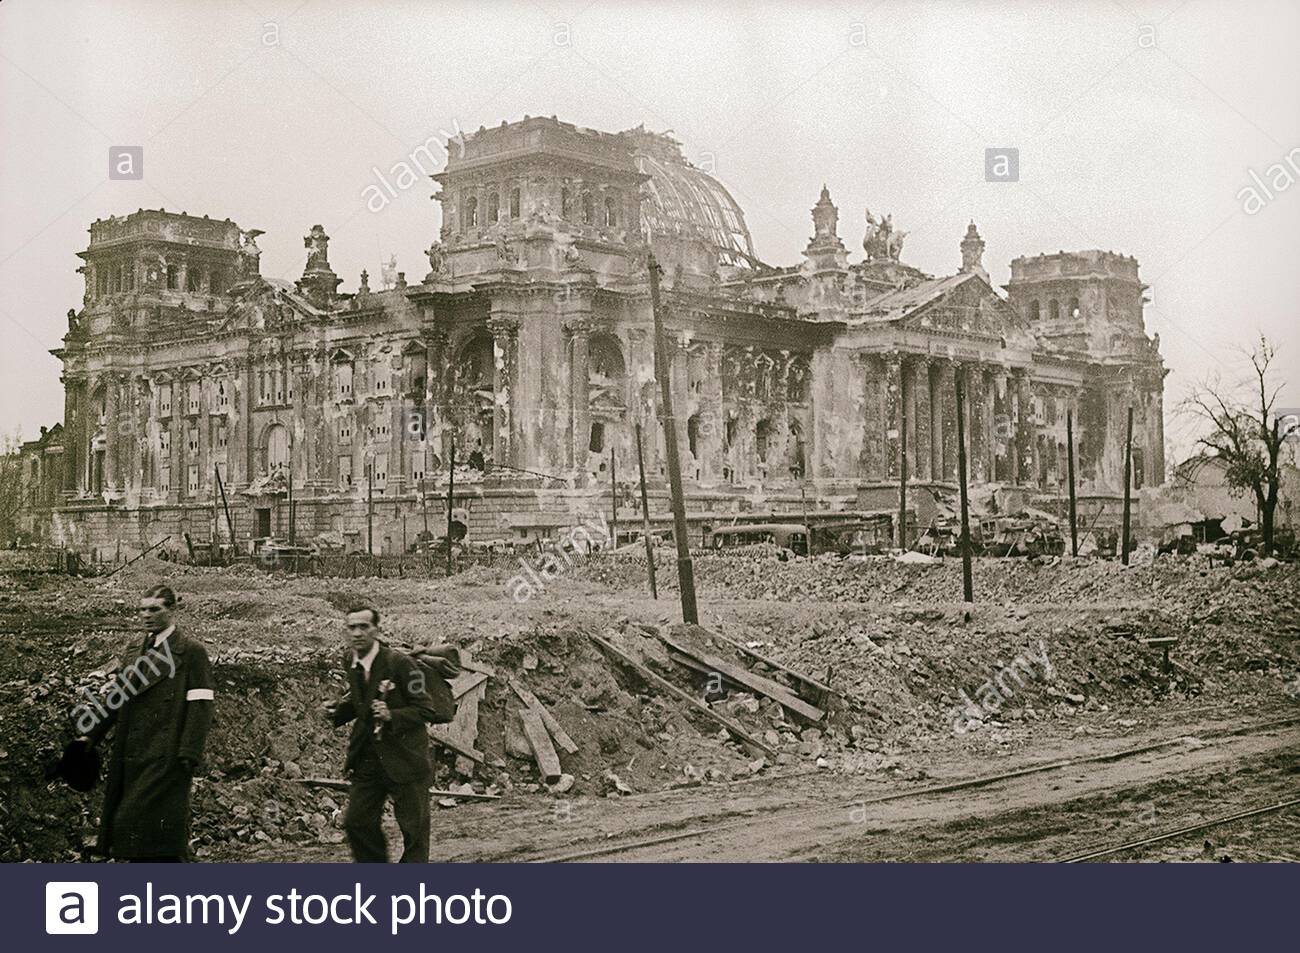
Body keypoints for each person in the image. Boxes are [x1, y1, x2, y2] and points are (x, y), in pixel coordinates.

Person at [83, 583, 215, 861]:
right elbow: (115, 699)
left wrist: (188, 753)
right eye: (142, 610)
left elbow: (201, 706)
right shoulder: (134, 651)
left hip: (167, 755)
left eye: (154, 609)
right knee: (143, 834)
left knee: (142, 825)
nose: (146, 615)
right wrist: (89, 735)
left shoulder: (190, 652)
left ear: (172, 610)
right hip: (133, 752)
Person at [325, 605, 438, 862]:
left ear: (377, 630)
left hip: (405, 757)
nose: (357, 633)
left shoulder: (401, 664)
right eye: (352, 627)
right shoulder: (350, 661)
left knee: (414, 833)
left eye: (364, 627)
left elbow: (426, 709)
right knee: (357, 822)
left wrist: (392, 715)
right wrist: (337, 712)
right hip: (368, 756)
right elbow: (360, 701)